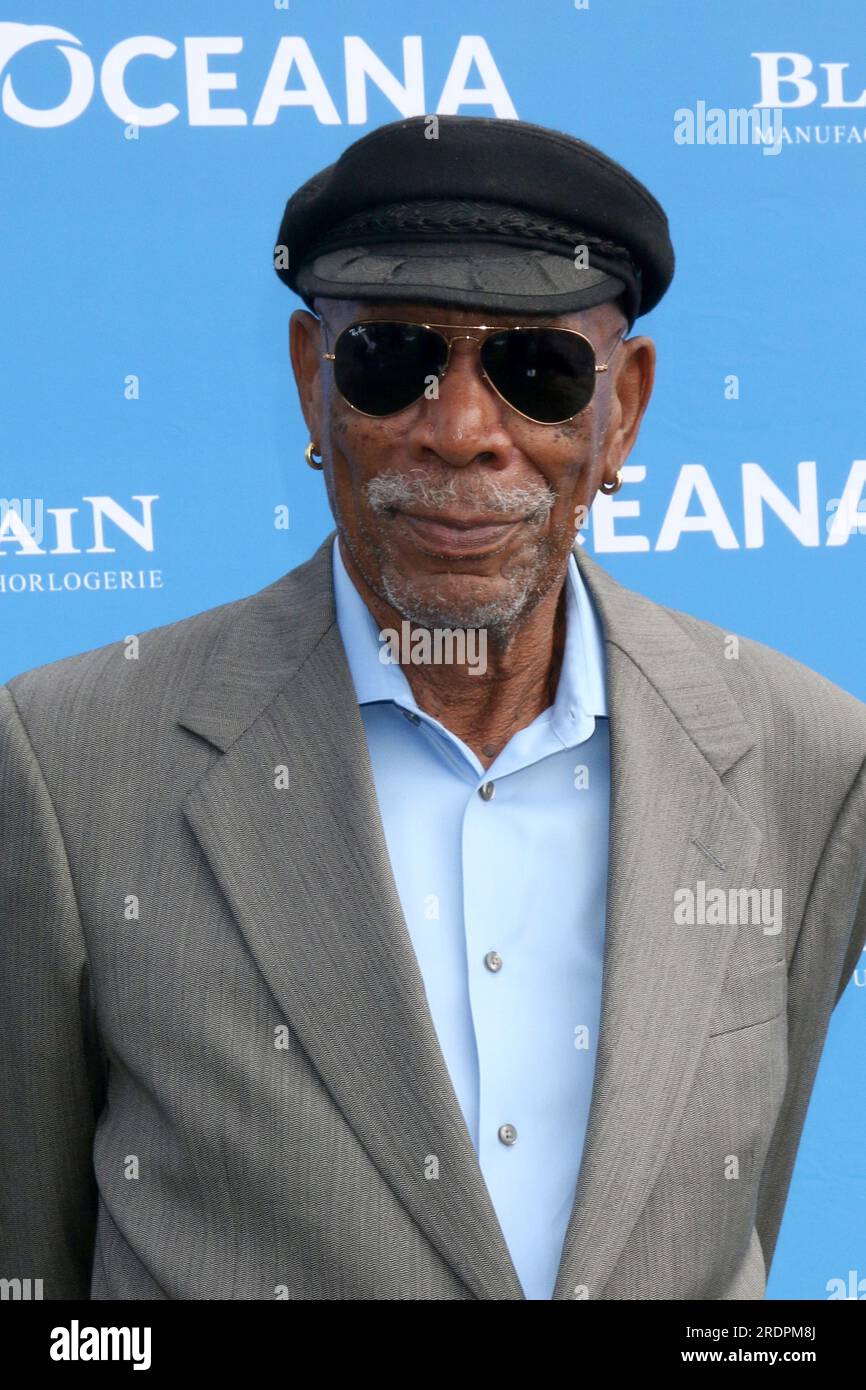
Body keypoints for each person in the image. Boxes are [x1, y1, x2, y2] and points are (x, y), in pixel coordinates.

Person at [2, 114, 865, 1302]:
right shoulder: (65, 759)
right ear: (312, 381)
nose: (460, 433)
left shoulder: (806, 757)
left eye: (537, 372)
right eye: (391, 360)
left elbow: (724, 1227)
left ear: (622, 411)